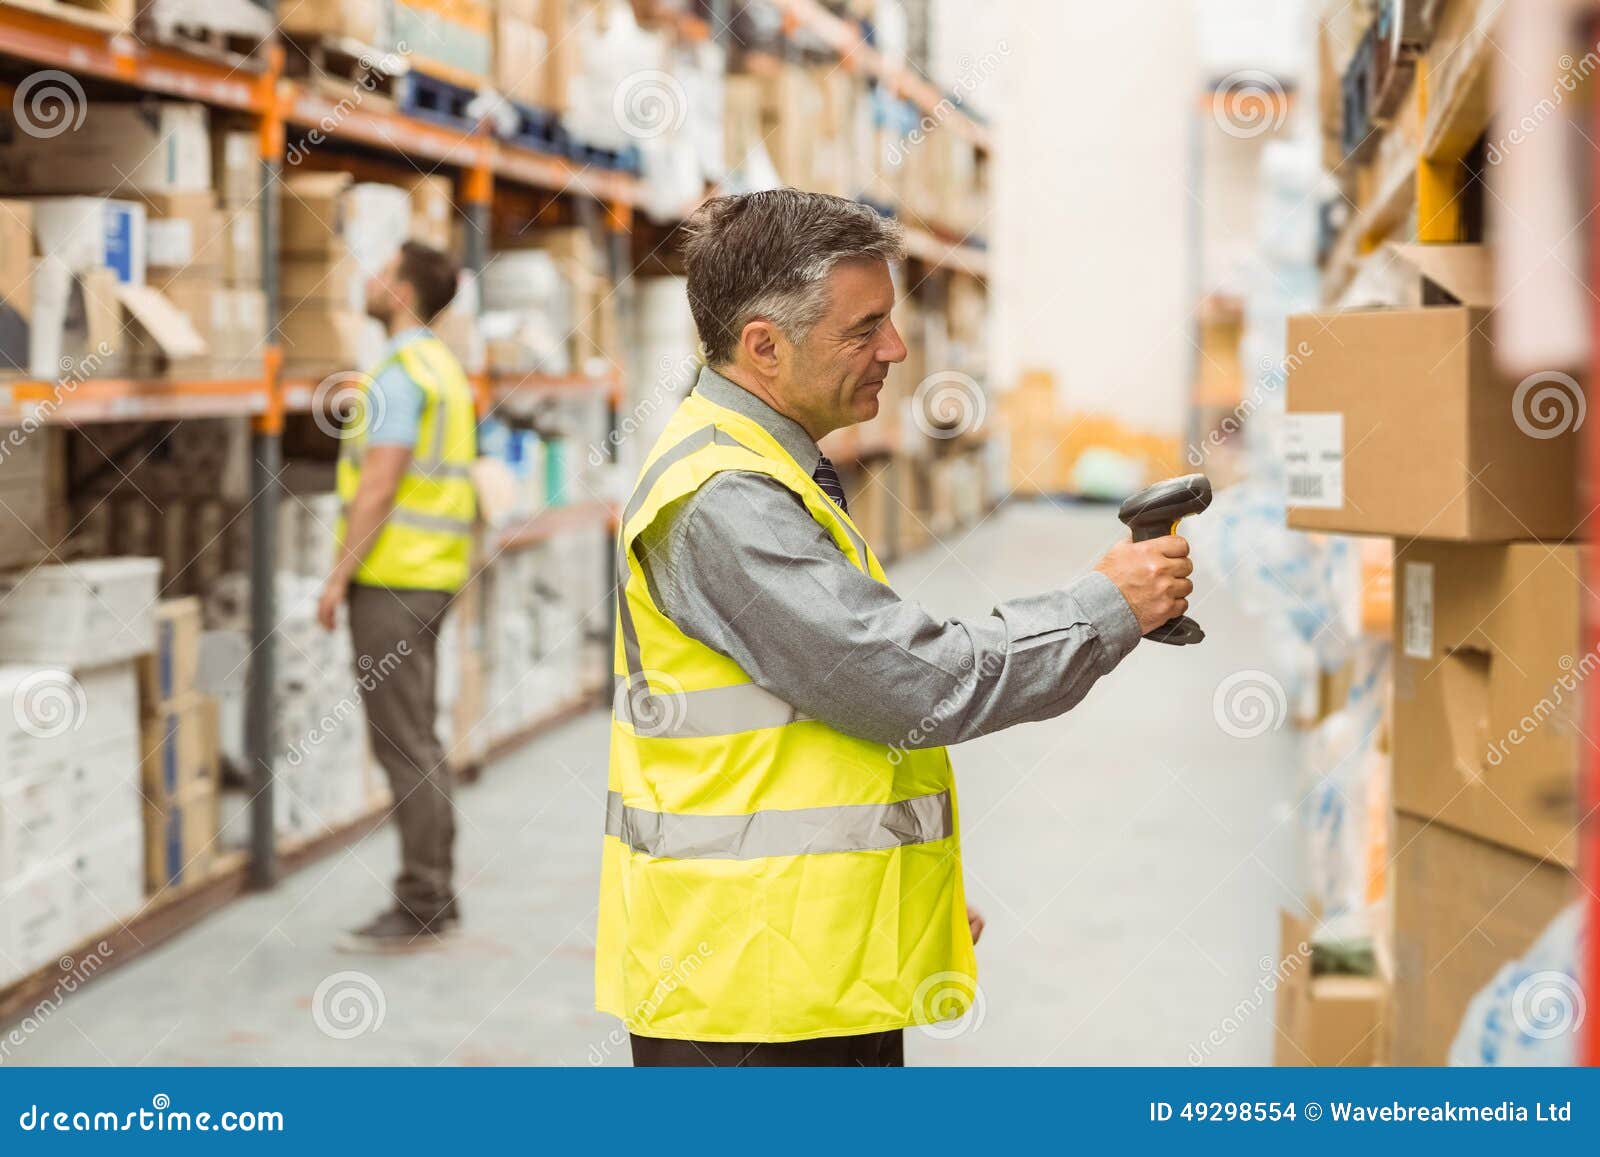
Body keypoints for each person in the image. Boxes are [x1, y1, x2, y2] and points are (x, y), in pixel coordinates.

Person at [595, 190, 1193, 1066]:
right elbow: (908, 680)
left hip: (809, 964)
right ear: (764, 345)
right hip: (747, 1005)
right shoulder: (723, 500)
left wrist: (913, 885)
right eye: (863, 327)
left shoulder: (769, 468)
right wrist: (1103, 604)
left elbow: (816, 728)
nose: (896, 348)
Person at [316, 240, 477, 953]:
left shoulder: (401, 372)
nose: (370, 281)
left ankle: (422, 900)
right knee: (419, 736)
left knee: (403, 742)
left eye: (382, 272)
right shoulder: (440, 366)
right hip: (433, 571)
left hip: (393, 577)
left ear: (404, 291)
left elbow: (380, 480)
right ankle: (434, 891)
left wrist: (336, 576)